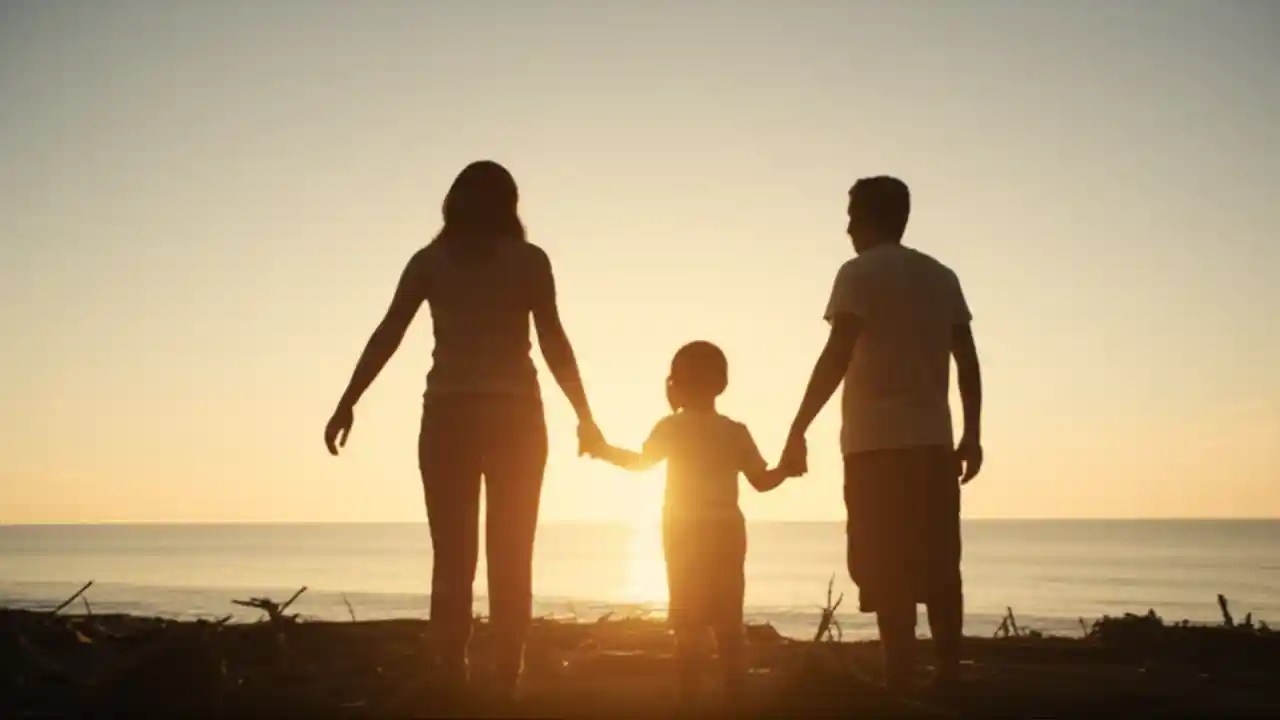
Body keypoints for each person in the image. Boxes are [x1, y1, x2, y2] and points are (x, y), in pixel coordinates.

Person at [323, 161, 603, 696]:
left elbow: (388, 333)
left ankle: (458, 669)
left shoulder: (432, 261)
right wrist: (584, 416)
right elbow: (553, 342)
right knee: (507, 551)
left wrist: (348, 402)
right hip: (511, 419)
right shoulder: (520, 260)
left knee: (455, 553)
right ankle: (495, 673)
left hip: (457, 418)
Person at [780, 176, 983, 691]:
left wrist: (798, 426)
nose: (846, 226)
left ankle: (900, 677)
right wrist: (972, 433)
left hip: (874, 447)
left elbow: (837, 353)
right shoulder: (942, 276)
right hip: (933, 444)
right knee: (940, 564)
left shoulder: (857, 274)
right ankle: (949, 674)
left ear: (870, 217)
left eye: (852, 214)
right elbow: (968, 360)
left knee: (883, 565)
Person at [583, 341, 798, 703]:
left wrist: (602, 450)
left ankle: (689, 700)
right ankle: (736, 697)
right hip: (727, 531)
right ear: (722, 384)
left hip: (683, 533)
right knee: (729, 621)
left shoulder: (670, 427)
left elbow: (640, 463)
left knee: (688, 624)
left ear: (675, 384)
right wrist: (787, 469)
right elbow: (762, 482)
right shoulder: (735, 431)